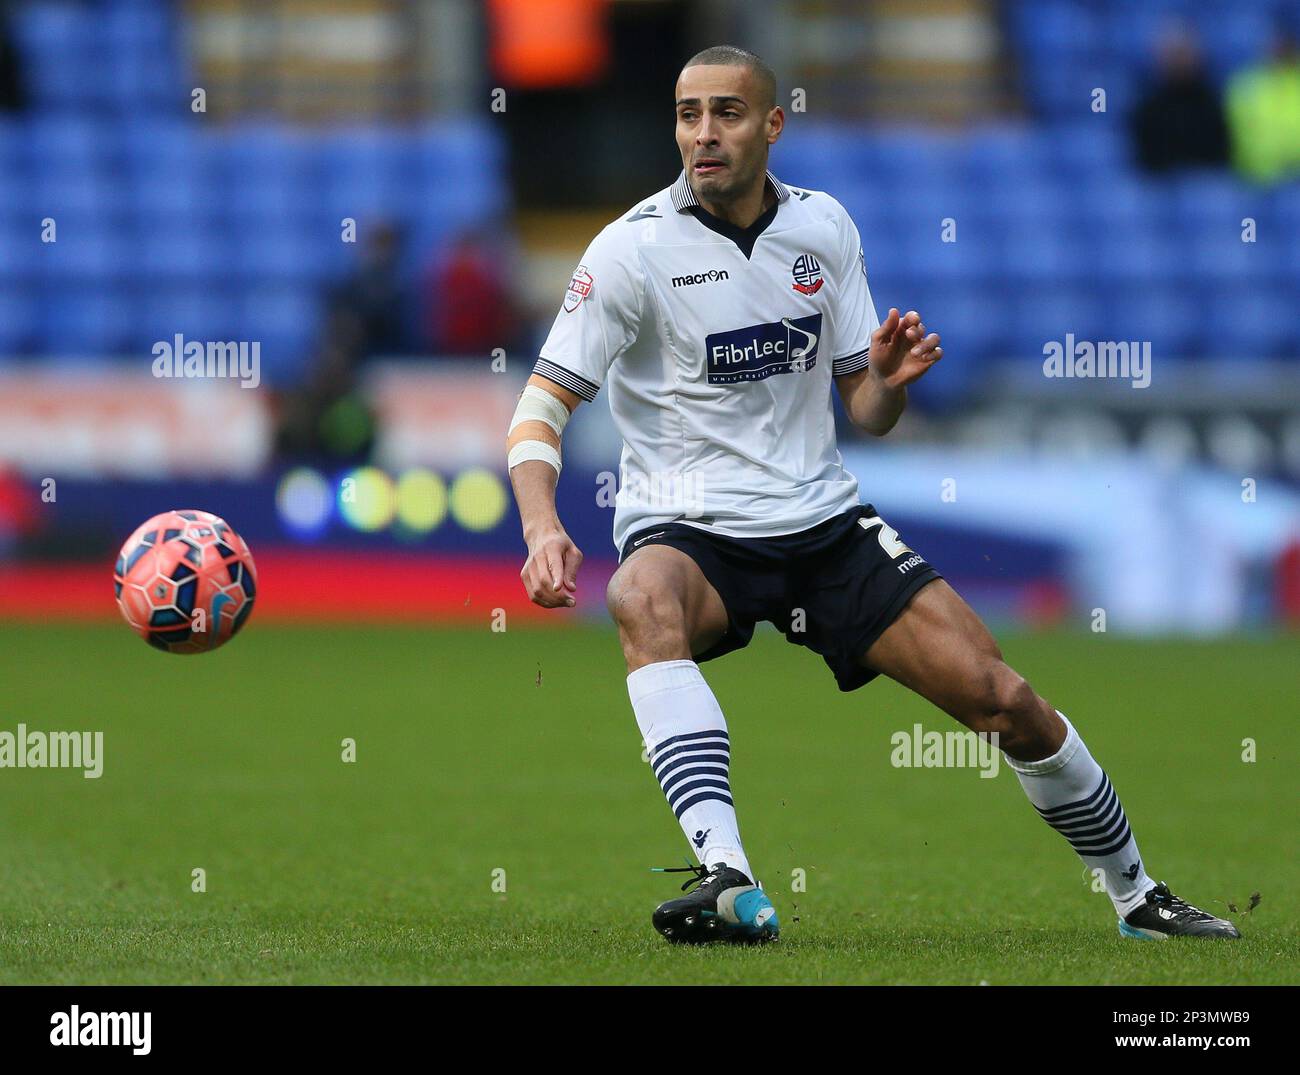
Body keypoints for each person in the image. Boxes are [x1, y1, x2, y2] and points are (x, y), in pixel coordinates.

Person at [505, 45, 1240, 945]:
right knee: (638, 595)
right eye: (688, 113)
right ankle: (728, 874)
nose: (704, 133)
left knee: (1002, 697)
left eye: (727, 113)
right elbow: (539, 409)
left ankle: (1138, 895)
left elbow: (867, 407)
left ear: (772, 124)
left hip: (823, 525)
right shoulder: (629, 251)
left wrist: (888, 382)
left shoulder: (824, 230)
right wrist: (542, 524)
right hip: (691, 528)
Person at [1130, 24, 1229, 173]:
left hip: (1204, 181)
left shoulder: (1212, 102)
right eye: (1174, 54)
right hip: (1160, 185)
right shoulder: (1149, 106)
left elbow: (1220, 151)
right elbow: (1144, 157)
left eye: (1183, 54)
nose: (1179, 61)